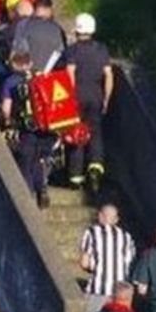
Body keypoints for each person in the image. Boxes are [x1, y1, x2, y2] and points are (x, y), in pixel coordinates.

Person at [64, 13, 113, 191]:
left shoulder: (72, 50)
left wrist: (70, 97)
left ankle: (75, 176)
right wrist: (106, 98)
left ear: (77, 31)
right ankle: (95, 165)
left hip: (77, 96)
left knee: (77, 134)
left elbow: (70, 73)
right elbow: (108, 75)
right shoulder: (102, 50)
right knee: (96, 133)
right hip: (96, 96)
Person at [1, 52, 55, 208]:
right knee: (40, 159)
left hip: (27, 129)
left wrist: (8, 122)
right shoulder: (42, 77)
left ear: (13, 64)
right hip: (47, 130)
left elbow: (6, 108)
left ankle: (28, 196)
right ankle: (42, 186)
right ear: (29, 64)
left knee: (26, 162)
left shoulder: (11, 82)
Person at [80, 204, 136, 312]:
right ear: (116, 220)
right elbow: (129, 261)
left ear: (100, 216)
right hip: (120, 291)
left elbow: (84, 263)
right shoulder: (126, 236)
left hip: (98, 289)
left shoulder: (91, 233)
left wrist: (95, 266)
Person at [11, 0, 67, 73]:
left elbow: (19, 50)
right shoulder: (57, 29)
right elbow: (62, 53)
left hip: (27, 74)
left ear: (35, 9)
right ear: (49, 9)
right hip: (51, 77)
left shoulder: (23, 25)